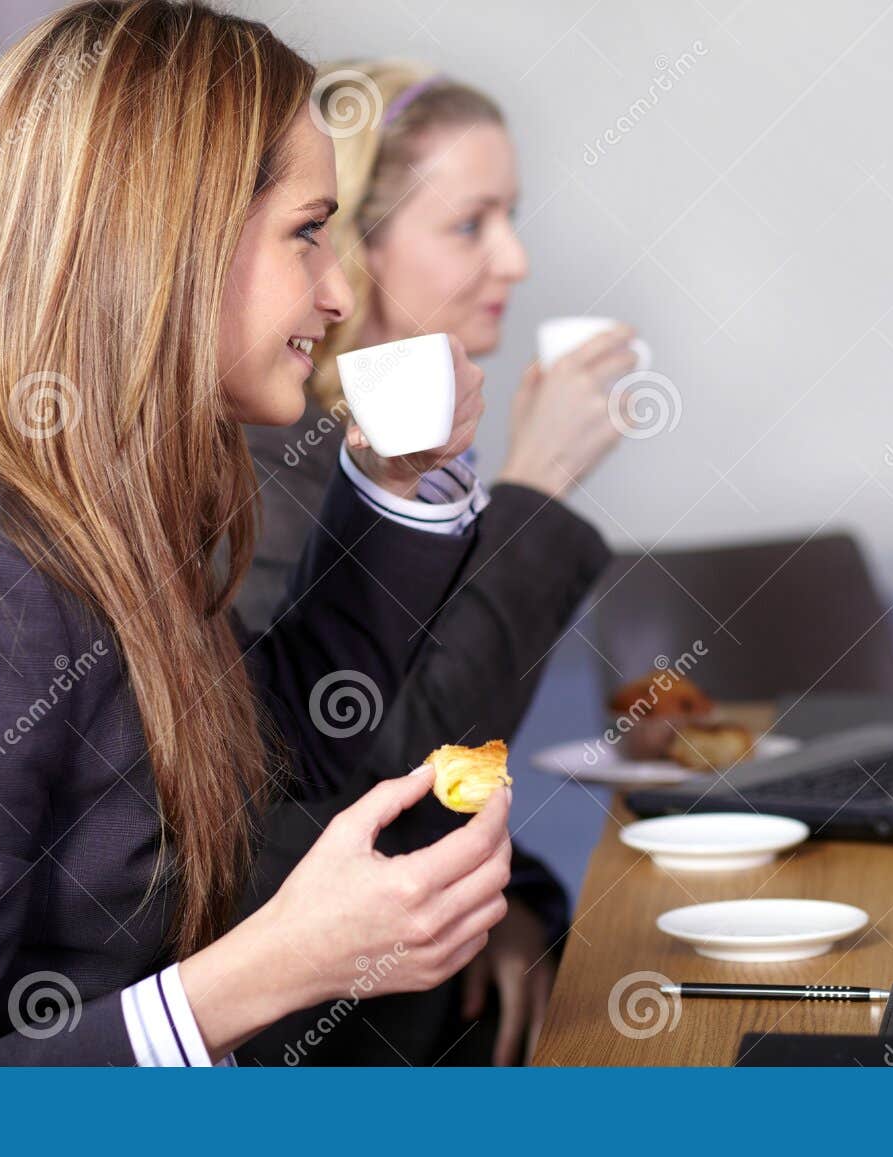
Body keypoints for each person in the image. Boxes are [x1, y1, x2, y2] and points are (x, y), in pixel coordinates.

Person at [0, 0, 513, 1067]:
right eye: (309, 232)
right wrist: (261, 973)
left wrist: (398, 478)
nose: (339, 292)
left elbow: (271, 742)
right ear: (166, 240)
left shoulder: (95, 503)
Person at [233, 62, 641, 1066]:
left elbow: (440, 769)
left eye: (510, 217)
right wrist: (536, 487)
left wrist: (514, 899)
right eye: (470, 224)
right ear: (352, 252)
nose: (513, 258)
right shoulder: (263, 478)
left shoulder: (391, 467)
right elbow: (372, 767)